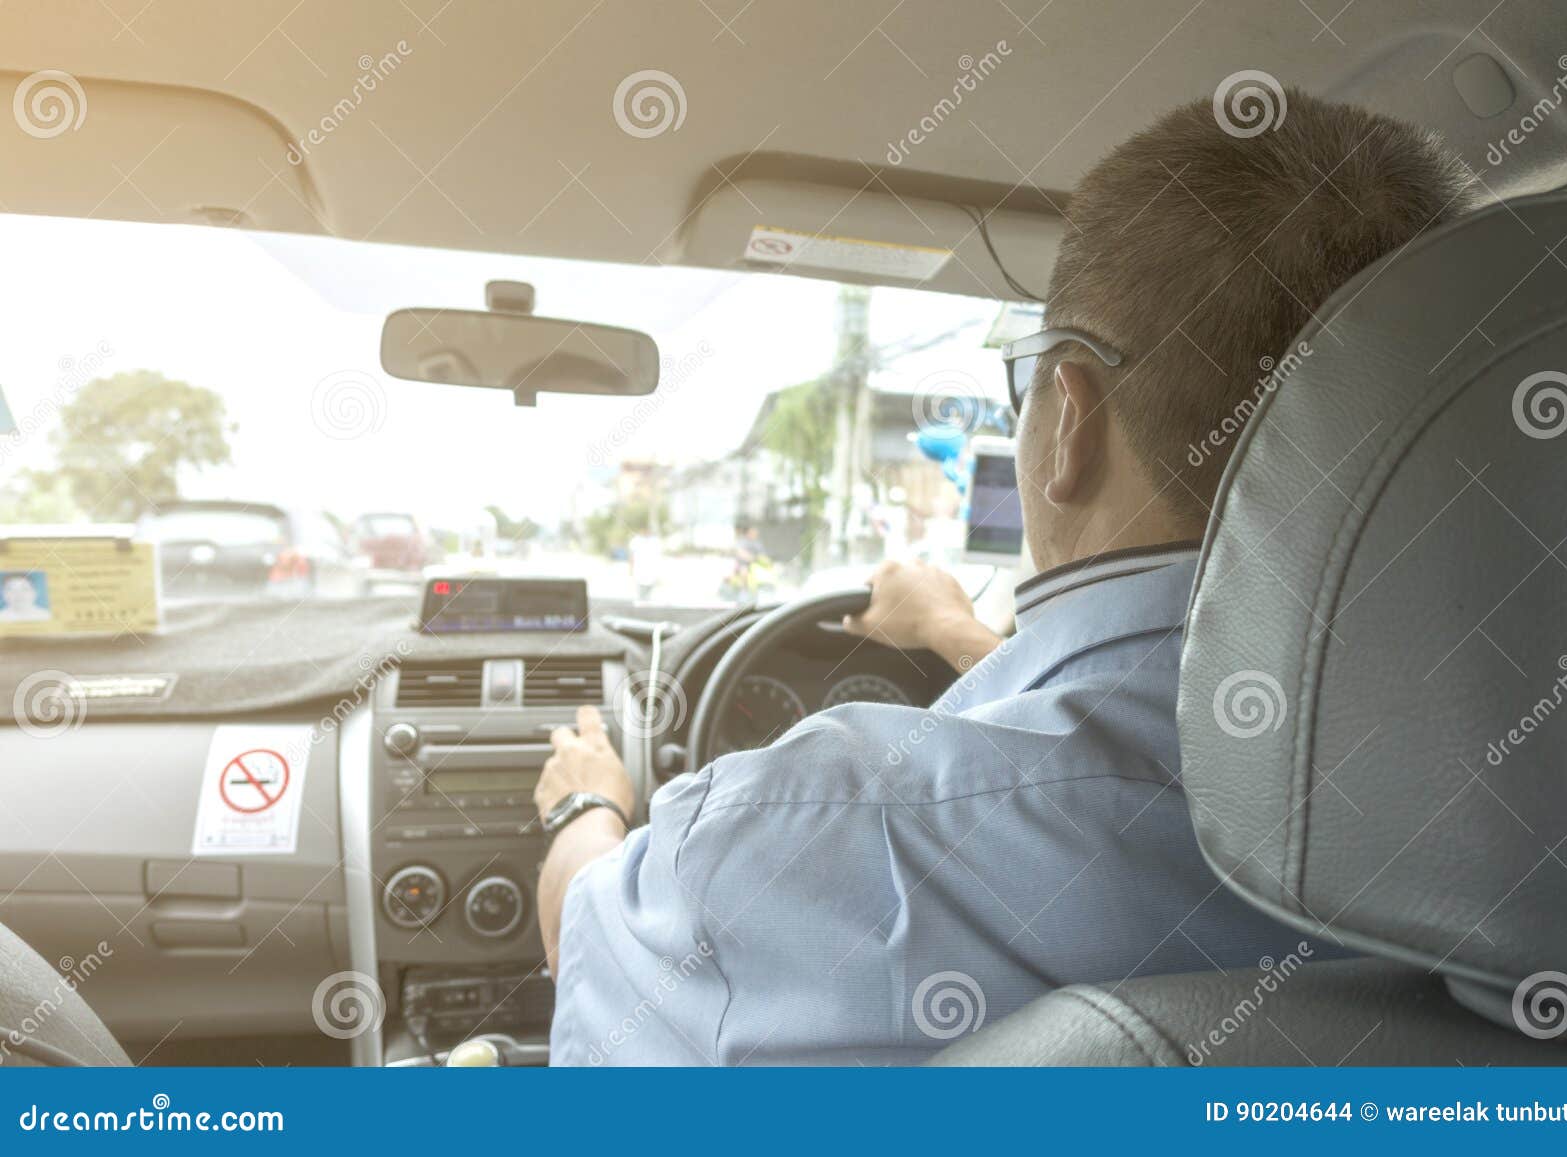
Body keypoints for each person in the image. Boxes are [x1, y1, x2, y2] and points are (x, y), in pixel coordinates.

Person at [534, 93, 1468, 1064]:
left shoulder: (795, 834)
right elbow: (1158, 733)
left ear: (1071, 418)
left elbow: (583, 940)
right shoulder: (1532, 789)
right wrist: (953, 633)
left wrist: (586, 802)